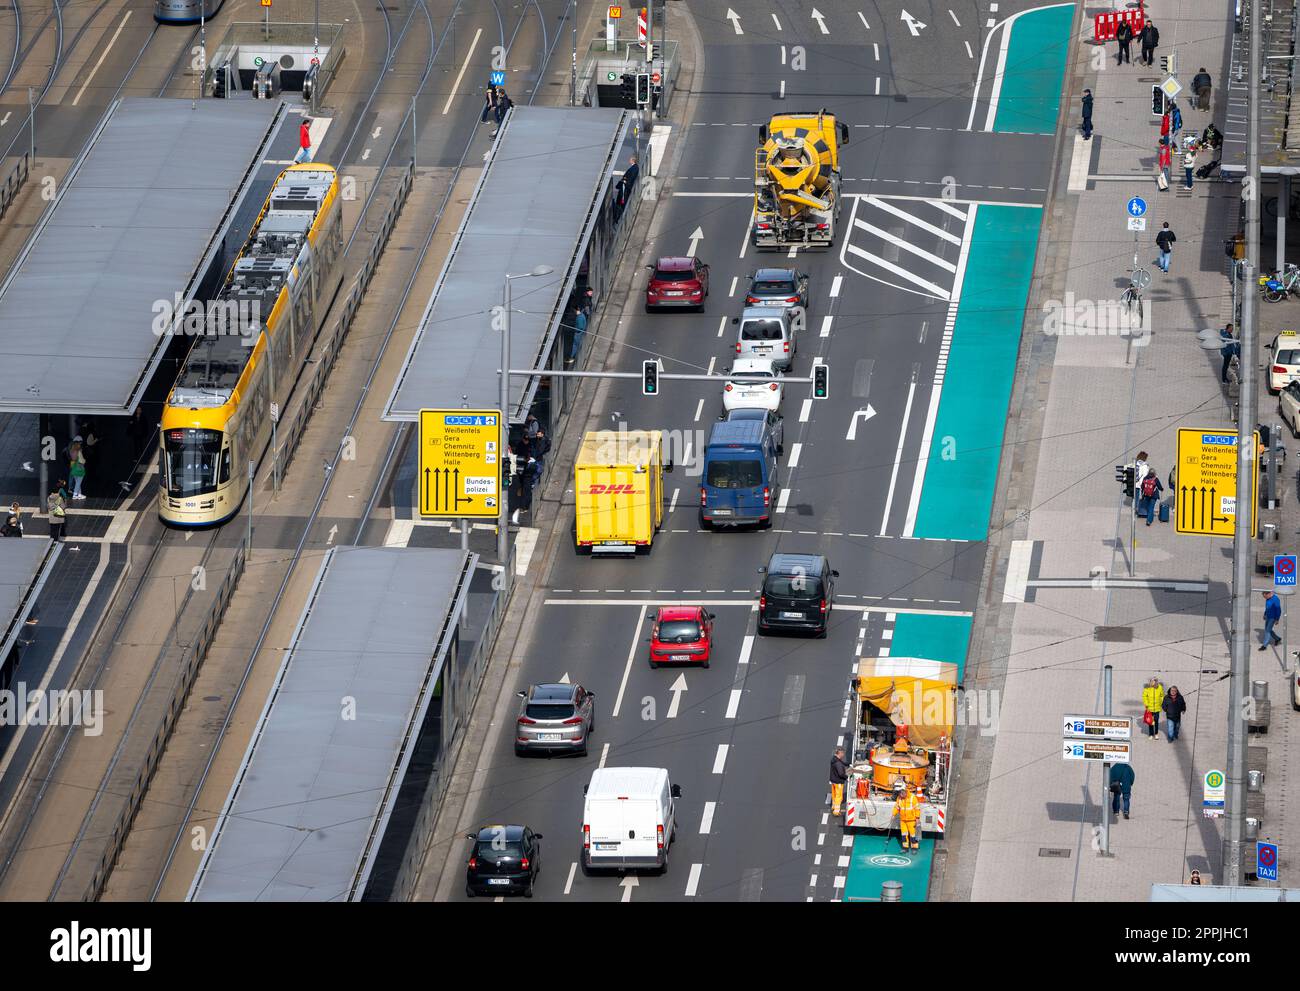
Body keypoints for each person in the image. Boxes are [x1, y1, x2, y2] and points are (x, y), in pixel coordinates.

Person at [829, 747, 849, 817]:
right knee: (839, 796)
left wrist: (847, 764)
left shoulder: (834, 759)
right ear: (840, 753)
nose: (843, 755)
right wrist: (847, 777)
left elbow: (842, 762)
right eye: (843, 753)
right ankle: (836, 811)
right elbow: (841, 774)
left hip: (833, 780)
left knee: (834, 795)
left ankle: (833, 807)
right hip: (838, 782)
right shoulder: (838, 763)